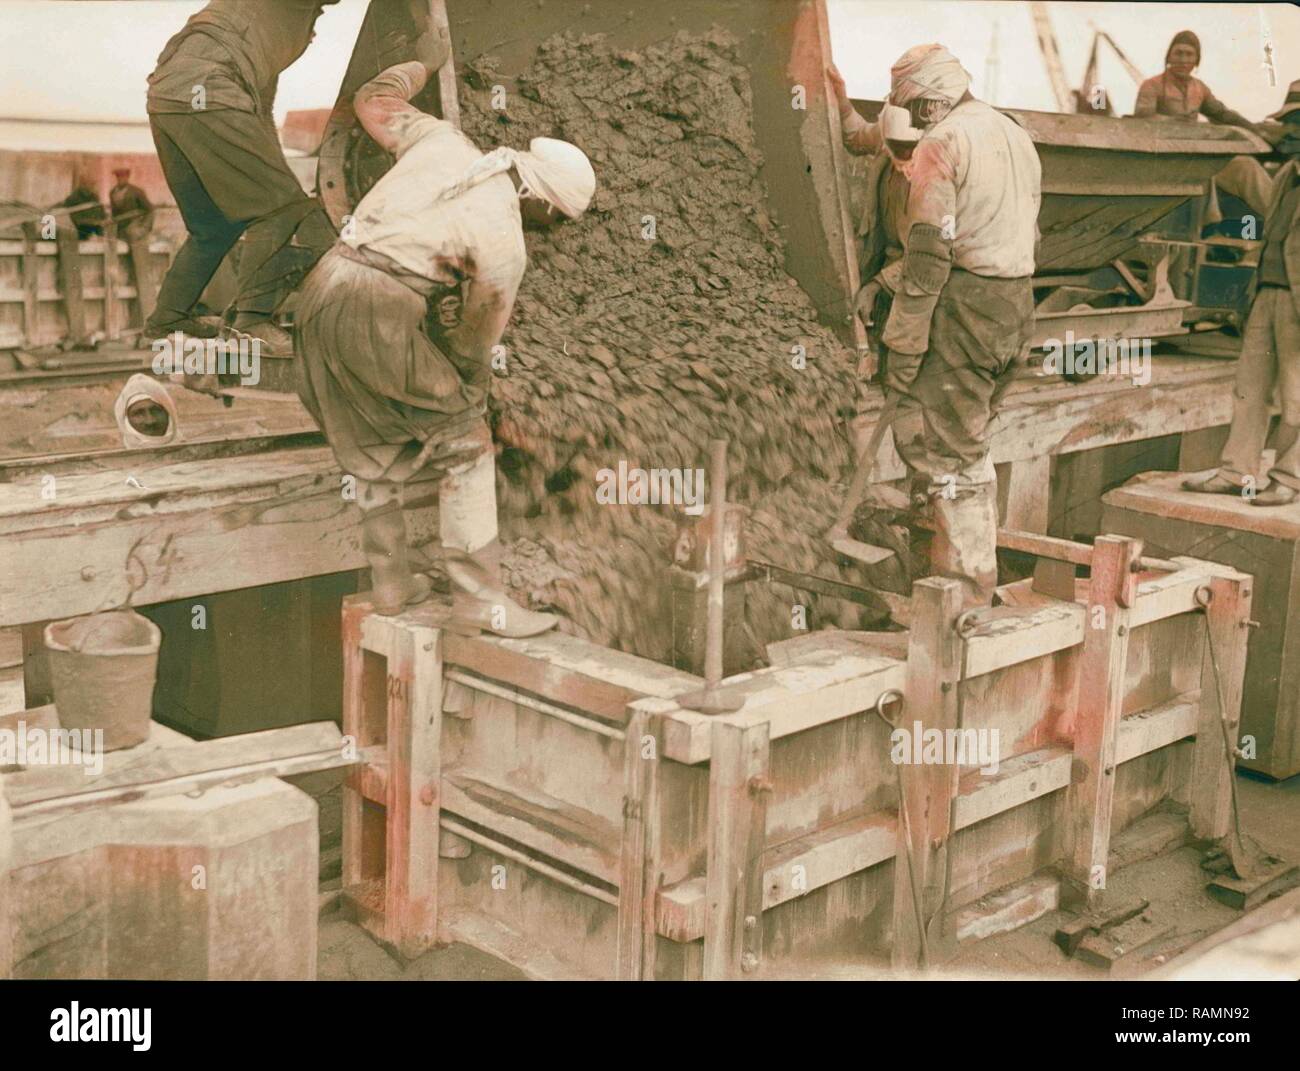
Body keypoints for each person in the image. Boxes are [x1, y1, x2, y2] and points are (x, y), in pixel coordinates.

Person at [295, 57, 596, 632]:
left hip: (321, 290)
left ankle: (390, 584)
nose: (547, 230)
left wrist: (420, 64)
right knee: (464, 444)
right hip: (376, 310)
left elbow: (372, 102)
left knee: (368, 439)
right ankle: (481, 600)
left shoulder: (443, 140)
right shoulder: (505, 239)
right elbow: (473, 343)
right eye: (552, 220)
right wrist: (470, 395)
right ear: (539, 199)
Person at [876, 44, 1041, 607]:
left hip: (967, 308)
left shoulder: (941, 143)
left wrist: (902, 341)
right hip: (1016, 303)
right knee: (970, 443)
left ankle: (965, 600)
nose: (916, 117)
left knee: (949, 454)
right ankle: (957, 563)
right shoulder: (1013, 132)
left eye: (916, 106)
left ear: (931, 100)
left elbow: (927, 256)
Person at [142, 0, 341, 350]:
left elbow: (261, 111)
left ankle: (168, 318)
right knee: (284, 210)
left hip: (168, 95)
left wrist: (279, 179)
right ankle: (253, 322)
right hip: (210, 86)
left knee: (213, 226)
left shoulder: (263, 41)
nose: (313, 35)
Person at [1182, 80, 1300, 508]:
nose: (1288, 132)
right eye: (1288, 123)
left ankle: (1290, 478)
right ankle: (1237, 471)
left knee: (1297, 396)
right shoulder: (1287, 174)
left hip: (1297, 301)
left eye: (1296, 123)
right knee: (1249, 388)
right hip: (1268, 292)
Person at [108, 168, 154, 241]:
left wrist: (143, 229)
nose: (121, 179)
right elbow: (114, 214)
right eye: (118, 176)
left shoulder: (136, 191)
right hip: (120, 231)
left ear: (127, 177)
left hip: (134, 228)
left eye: (123, 176)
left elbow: (150, 210)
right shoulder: (113, 192)